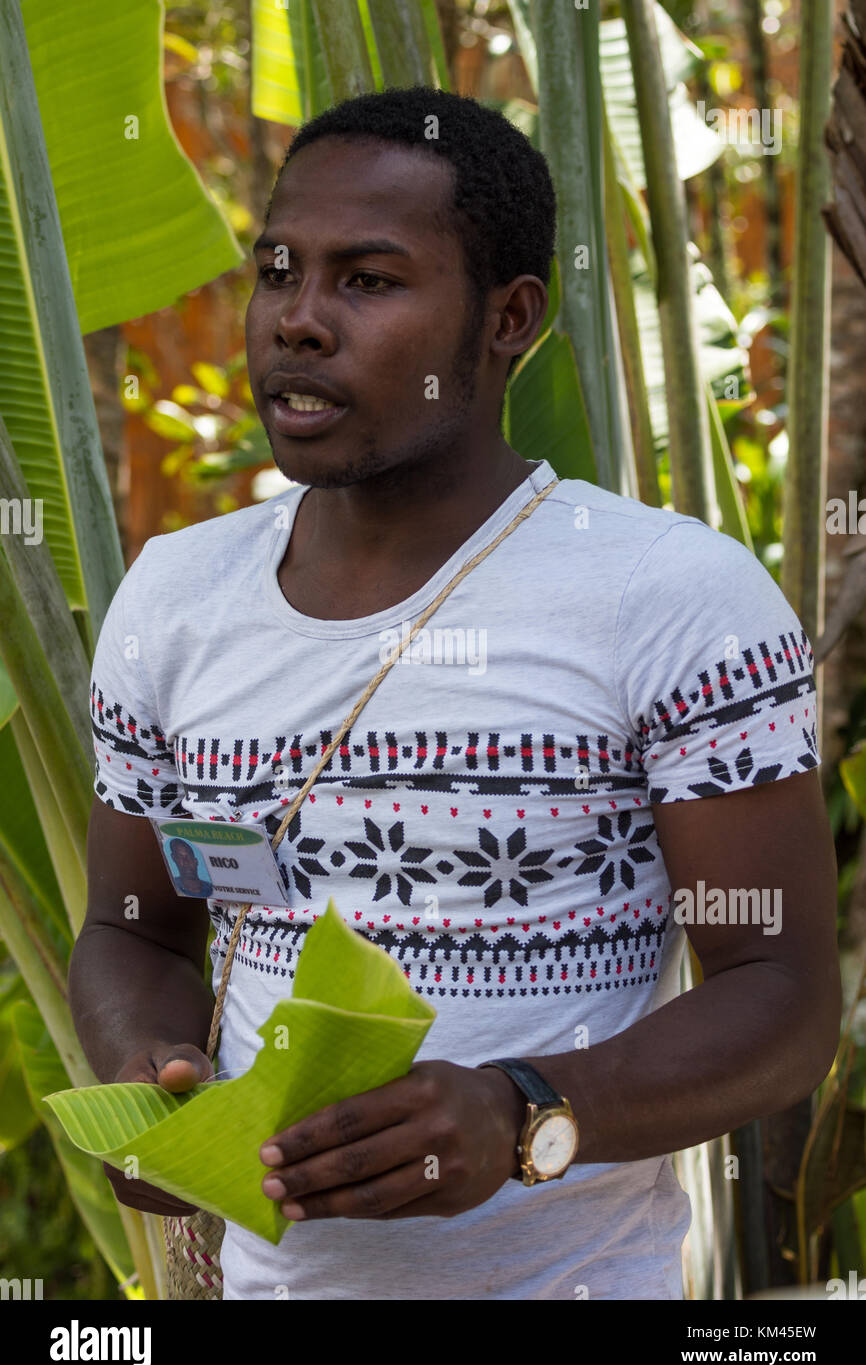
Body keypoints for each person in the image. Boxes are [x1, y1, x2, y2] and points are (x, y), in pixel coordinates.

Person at [69, 86, 840, 1301]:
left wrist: (528, 1109)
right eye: (279, 271)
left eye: (367, 281)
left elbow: (783, 996)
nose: (297, 323)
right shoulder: (176, 599)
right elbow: (130, 929)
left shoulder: (669, 595)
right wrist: (157, 1084)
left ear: (507, 318)